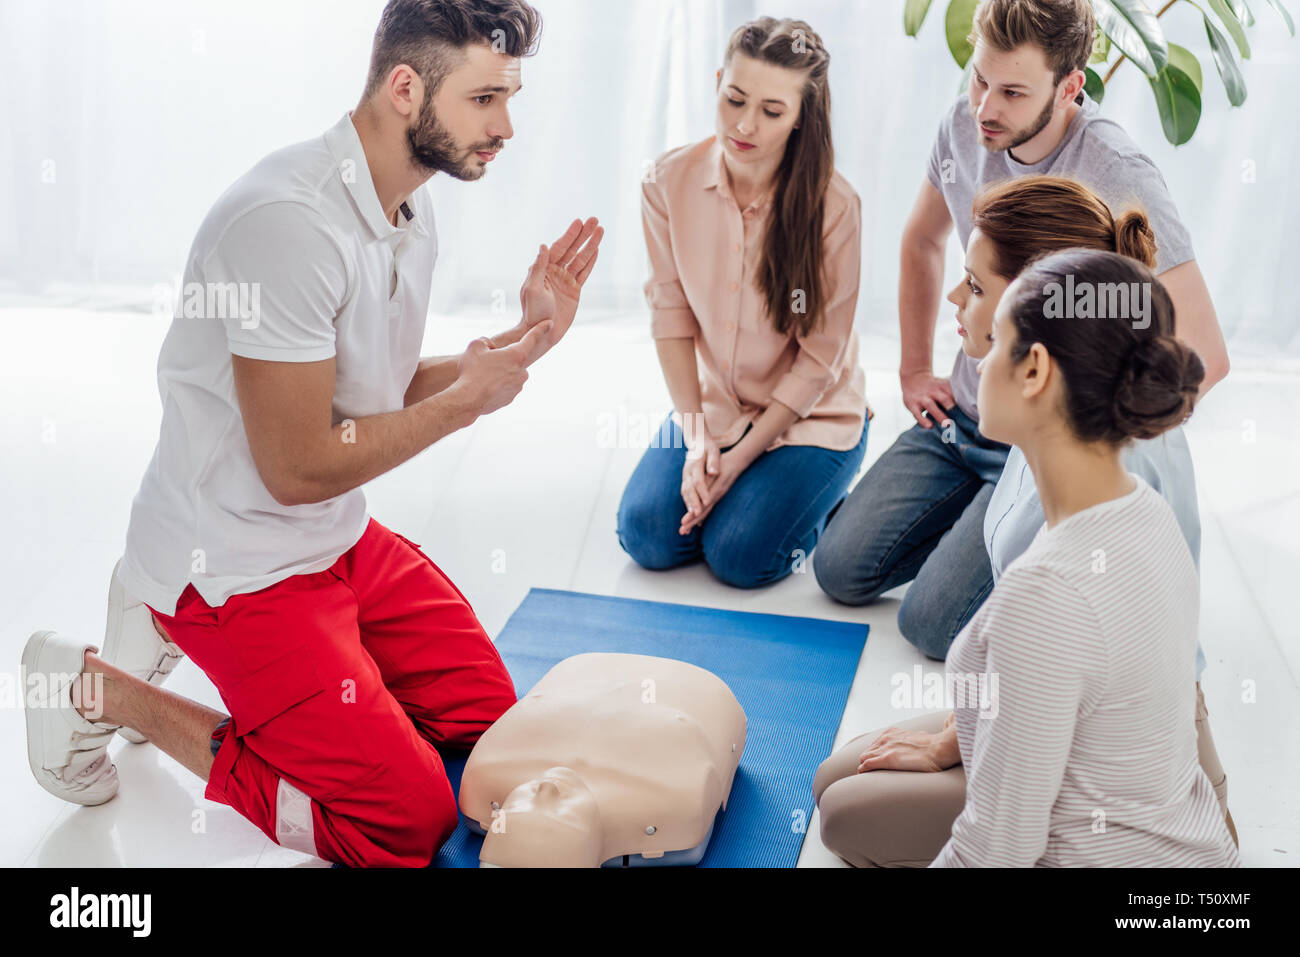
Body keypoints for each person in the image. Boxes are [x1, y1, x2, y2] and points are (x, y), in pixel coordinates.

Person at [23, 0, 605, 868]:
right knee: (409, 823)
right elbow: (296, 465)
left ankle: (227, 657)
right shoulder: (287, 225)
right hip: (235, 565)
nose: (507, 125)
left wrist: (523, 345)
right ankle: (107, 689)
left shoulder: (408, 204)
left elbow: (377, 389)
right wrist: (467, 403)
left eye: (508, 98)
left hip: (332, 539)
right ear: (407, 88)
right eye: (486, 99)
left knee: (491, 722)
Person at [813, 177, 1237, 867]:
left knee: (843, 814)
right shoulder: (1116, 495)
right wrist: (959, 737)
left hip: (1127, 828)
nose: (966, 322)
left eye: (989, 313)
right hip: (1114, 758)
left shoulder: (1047, 590)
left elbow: (994, 851)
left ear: (1036, 367)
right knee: (837, 778)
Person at [813, 0, 1230, 660]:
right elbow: (922, 238)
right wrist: (914, 369)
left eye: (1012, 91)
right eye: (979, 80)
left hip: (1035, 441)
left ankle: (992, 533)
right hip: (967, 416)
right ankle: (968, 524)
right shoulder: (963, 126)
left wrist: (1075, 450)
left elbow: (1204, 351)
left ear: (1071, 86)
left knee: (927, 626)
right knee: (836, 570)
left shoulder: (1117, 173)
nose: (985, 107)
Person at [616, 16, 870, 590]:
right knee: (648, 537)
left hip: (811, 418)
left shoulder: (836, 208)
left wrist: (738, 462)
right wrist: (699, 439)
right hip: (718, 405)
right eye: (734, 99)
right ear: (717, 84)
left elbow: (818, 361)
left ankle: (825, 491)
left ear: (802, 116)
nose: (745, 124)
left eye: (772, 112)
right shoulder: (666, 182)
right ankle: (747, 481)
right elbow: (672, 317)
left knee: (739, 556)